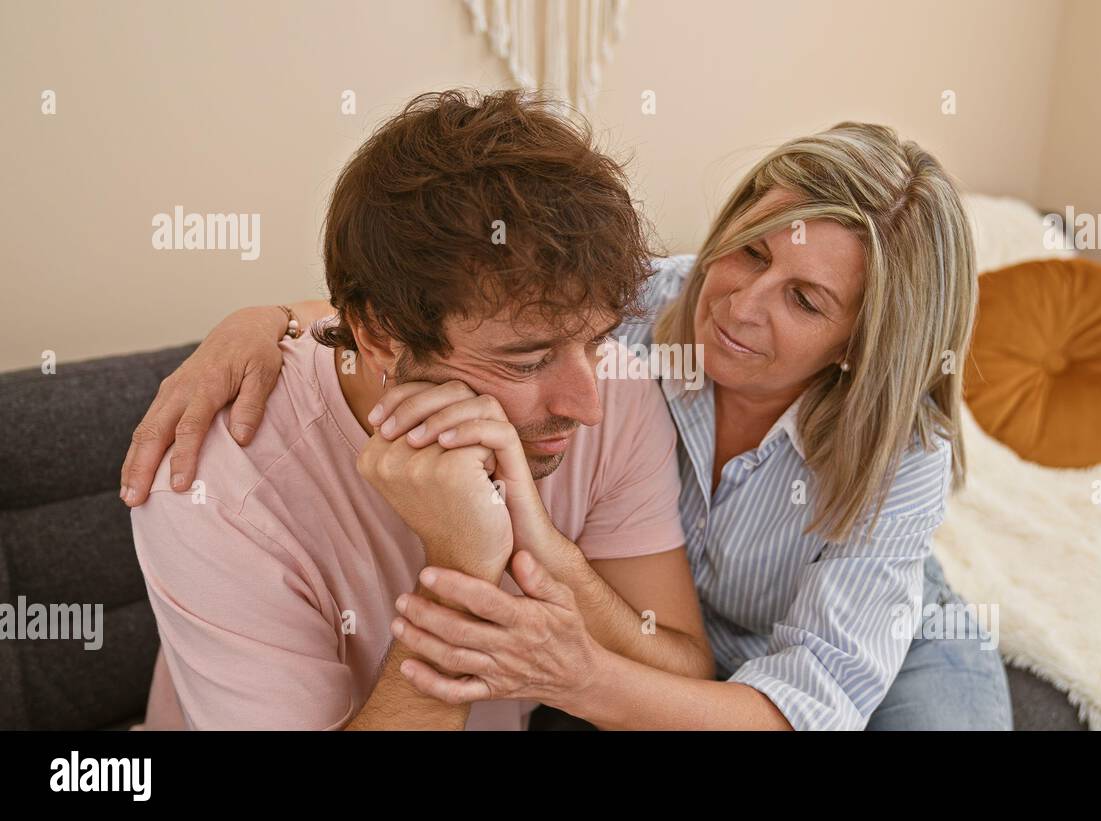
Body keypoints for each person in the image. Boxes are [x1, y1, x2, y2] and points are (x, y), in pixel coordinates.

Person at [125, 97, 1013, 730]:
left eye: (807, 302)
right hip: (643, 644)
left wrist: (570, 647)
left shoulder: (894, 450)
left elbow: (794, 705)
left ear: (864, 341)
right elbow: (437, 303)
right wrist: (266, 323)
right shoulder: (639, 311)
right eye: (744, 251)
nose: (740, 306)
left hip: (816, 657)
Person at [127, 88, 714, 730]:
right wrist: (462, 566)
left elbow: (683, 673)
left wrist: (551, 554)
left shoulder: (615, 388)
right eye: (525, 361)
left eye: (597, 340)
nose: (588, 405)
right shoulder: (213, 481)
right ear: (380, 336)